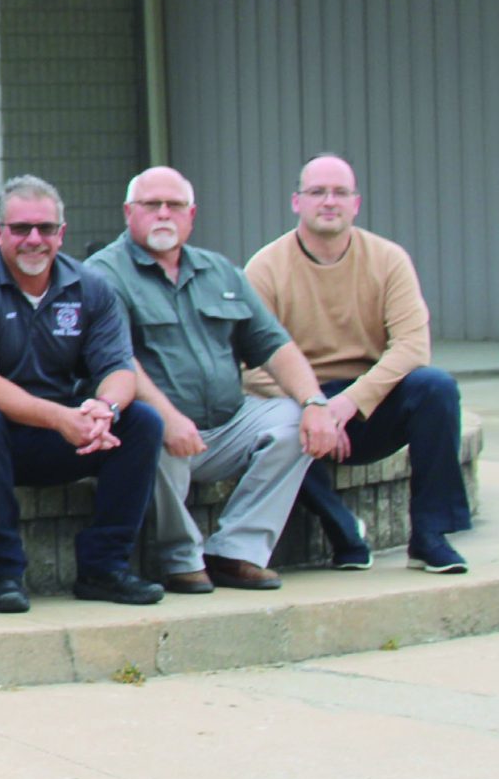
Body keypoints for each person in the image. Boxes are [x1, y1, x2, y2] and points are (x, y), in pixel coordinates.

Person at [87, 167, 339, 593]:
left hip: (228, 423)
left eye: (175, 206)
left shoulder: (219, 271)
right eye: (152, 205)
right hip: (160, 425)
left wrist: (316, 403)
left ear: (192, 214)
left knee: (297, 418)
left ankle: (236, 552)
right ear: (129, 212)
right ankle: (180, 559)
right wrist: (169, 416)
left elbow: (275, 346)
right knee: (146, 426)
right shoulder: (101, 274)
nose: (164, 214)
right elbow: (117, 359)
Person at [0, 175, 166, 614]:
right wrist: (62, 418)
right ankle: (2, 575)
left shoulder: (91, 288)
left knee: (142, 423)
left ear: (63, 233)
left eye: (45, 228)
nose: (33, 240)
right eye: (20, 229)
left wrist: (104, 408)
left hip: (61, 435)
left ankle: (105, 569)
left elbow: (120, 368)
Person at [245, 154, 470, 573]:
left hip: (368, 401)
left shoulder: (388, 259)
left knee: (436, 388)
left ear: (356, 203)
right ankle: (344, 532)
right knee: (269, 423)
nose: (329, 201)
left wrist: (347, 405)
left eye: (339, 193)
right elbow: (252, 367)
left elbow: (413, 347)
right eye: (317, 192)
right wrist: (314, 406)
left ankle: (430, 536)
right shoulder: (265, 267)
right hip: (300, 403)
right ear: (297, 202)